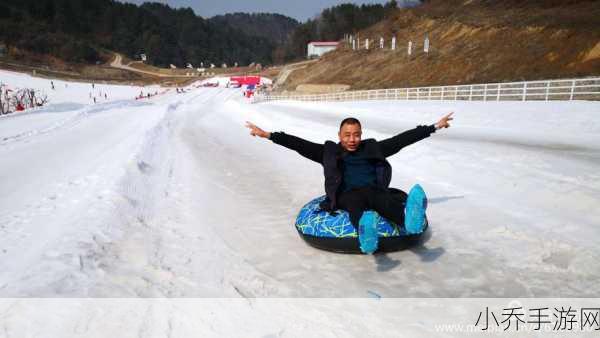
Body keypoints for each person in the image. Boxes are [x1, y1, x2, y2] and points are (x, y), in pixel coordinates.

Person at [245, 112, 453, 253]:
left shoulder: (372, 148)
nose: (352, 139)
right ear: (339, 135)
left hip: (373, 190)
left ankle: (409, 220)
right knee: (356, 203)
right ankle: (367, 235)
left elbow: (402, 140)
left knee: (381, 199)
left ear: (361, 135)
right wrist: (268, 135)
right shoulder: (328, 152)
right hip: (346, 194)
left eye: (356, 135)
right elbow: (299, 144)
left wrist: (433, 127)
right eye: (347, 135)